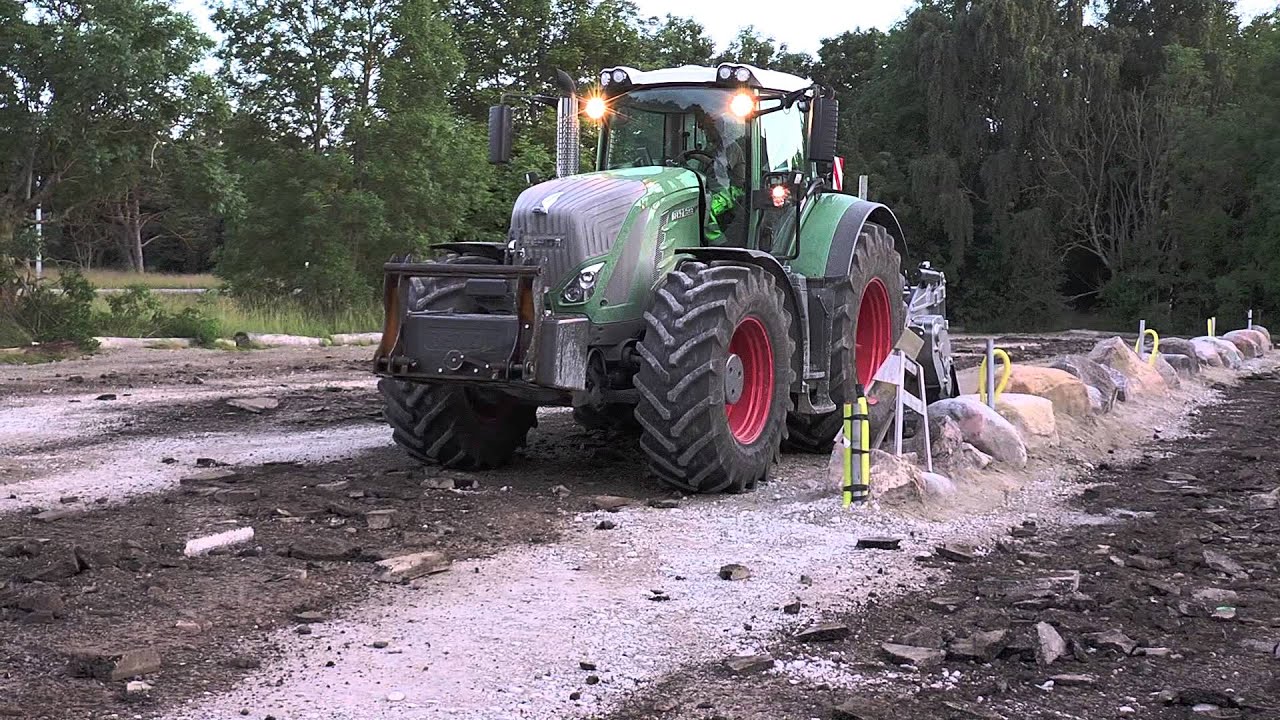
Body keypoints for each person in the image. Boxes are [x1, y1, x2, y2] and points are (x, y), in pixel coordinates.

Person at [686, 109, 747, 244]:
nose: (705, 133)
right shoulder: (711, 148)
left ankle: (720, 244)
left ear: (719, 128)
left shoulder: (730, 147)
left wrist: (695, 155)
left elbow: (720, 168)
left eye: (708, 129)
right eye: (705, 130)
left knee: (705, 208)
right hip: (713, 188)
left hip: (733, 190)